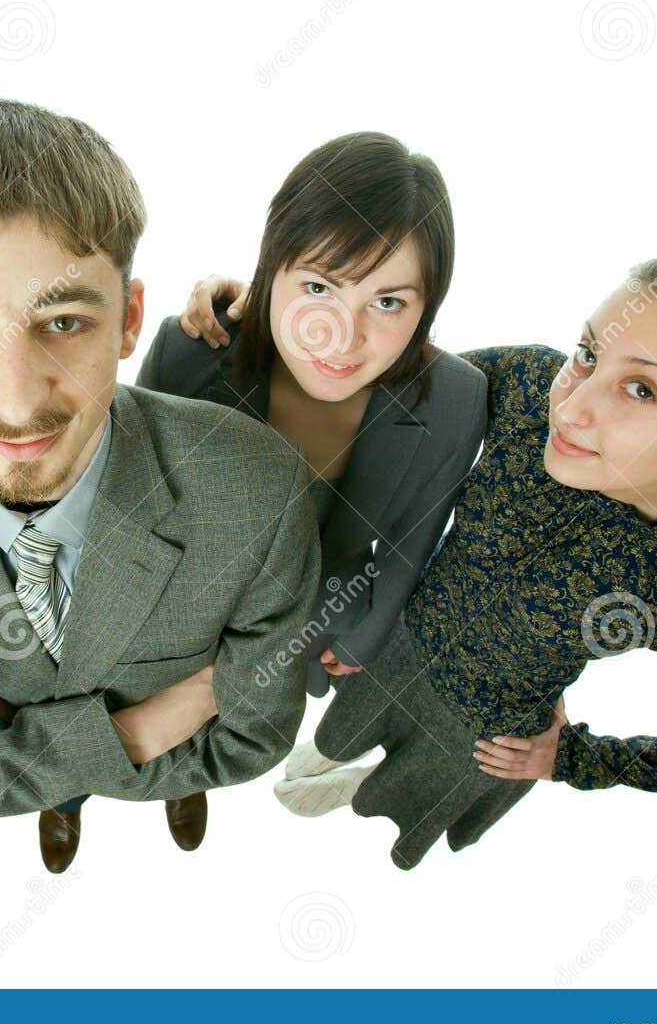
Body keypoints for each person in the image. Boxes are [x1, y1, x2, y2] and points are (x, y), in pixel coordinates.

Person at [207, 216, 657, 868]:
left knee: (366, 823)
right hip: (388, 649)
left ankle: (360, 815)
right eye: (588, 354)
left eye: (639, 389)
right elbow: (377, 377)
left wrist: (571, 757)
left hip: (480, 737)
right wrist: (257, 320)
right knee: (307, 763)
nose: (575, 404)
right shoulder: (528, 387)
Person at [0, 99, 321, 874]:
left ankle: (156, 794)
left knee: (183, 773)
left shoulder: (257, 490)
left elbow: (250, 737)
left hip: (176, 756)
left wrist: (7, 732)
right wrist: (131, 736)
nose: (15, 401)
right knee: (88, 778)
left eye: (65, 321)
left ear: (130, 320)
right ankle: (67, 803)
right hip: (161, 738)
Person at [144, 131, 485, 821]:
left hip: (313, 624)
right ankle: (158, 774)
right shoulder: (191, 355)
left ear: (428, 306)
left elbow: (414, 544)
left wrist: (357, 636)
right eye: (319, 287)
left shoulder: (455, 398)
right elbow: (134, 510)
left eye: (389, 302)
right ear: (271, 269)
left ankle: (194, 771)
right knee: (154, 726)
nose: (342, 334)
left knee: (227, 732)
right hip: (174, 614)